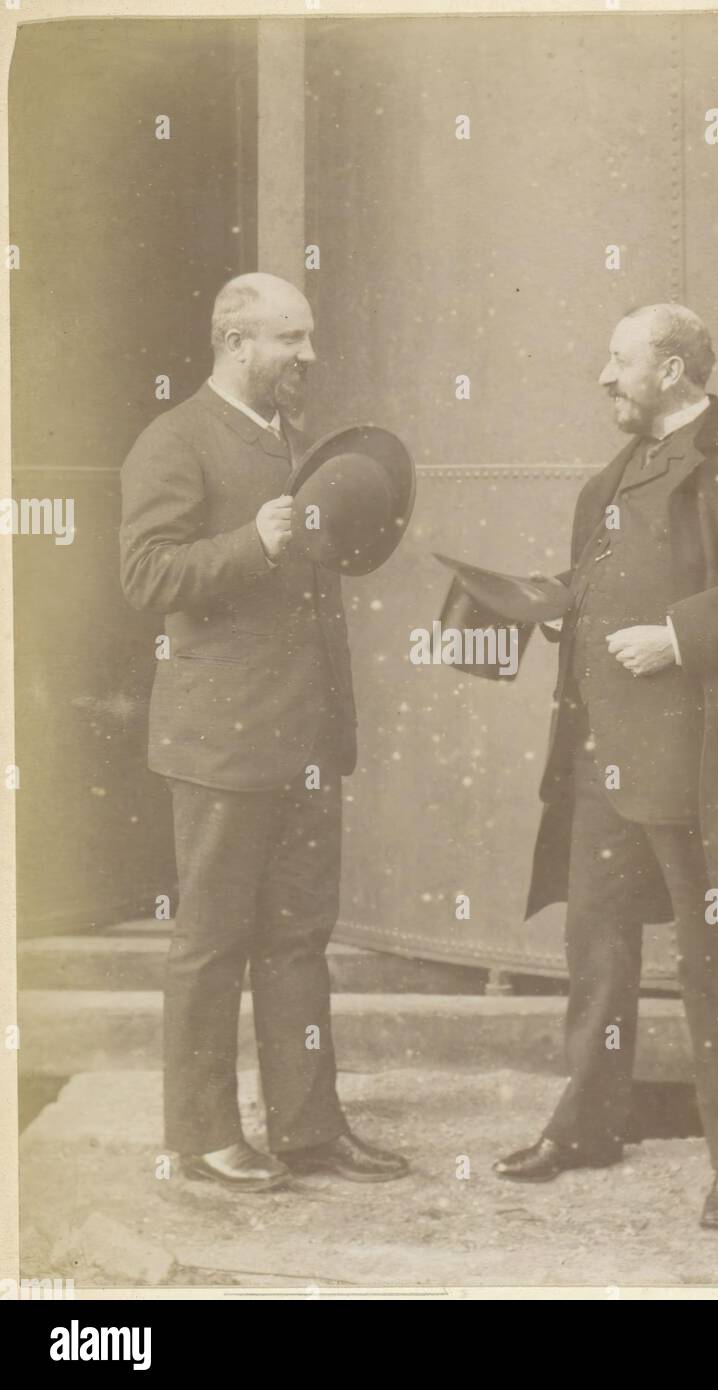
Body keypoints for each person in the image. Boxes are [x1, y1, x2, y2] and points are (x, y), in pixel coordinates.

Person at [495, 304, 718, 1228]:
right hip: (606, 758)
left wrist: (679, 636)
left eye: (619, 361)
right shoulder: (612, 477)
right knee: (596, 946)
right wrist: (536, 602)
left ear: (673, 369)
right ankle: (588, 1125)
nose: (603, 377)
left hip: (697, 765)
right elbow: (603, 586)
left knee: (715, 959)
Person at [119, 272, 409, 1191]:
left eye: (308, 337)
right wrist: (258, 541)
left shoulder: (292, 443)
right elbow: (147, 576)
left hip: (306, 745)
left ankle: (309, 1129)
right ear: (236, 343)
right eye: (291, 339)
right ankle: (203, 1137)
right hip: (222, 745)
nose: (308, 356)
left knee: (297, 939)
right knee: (209, 944)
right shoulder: (174, 440)